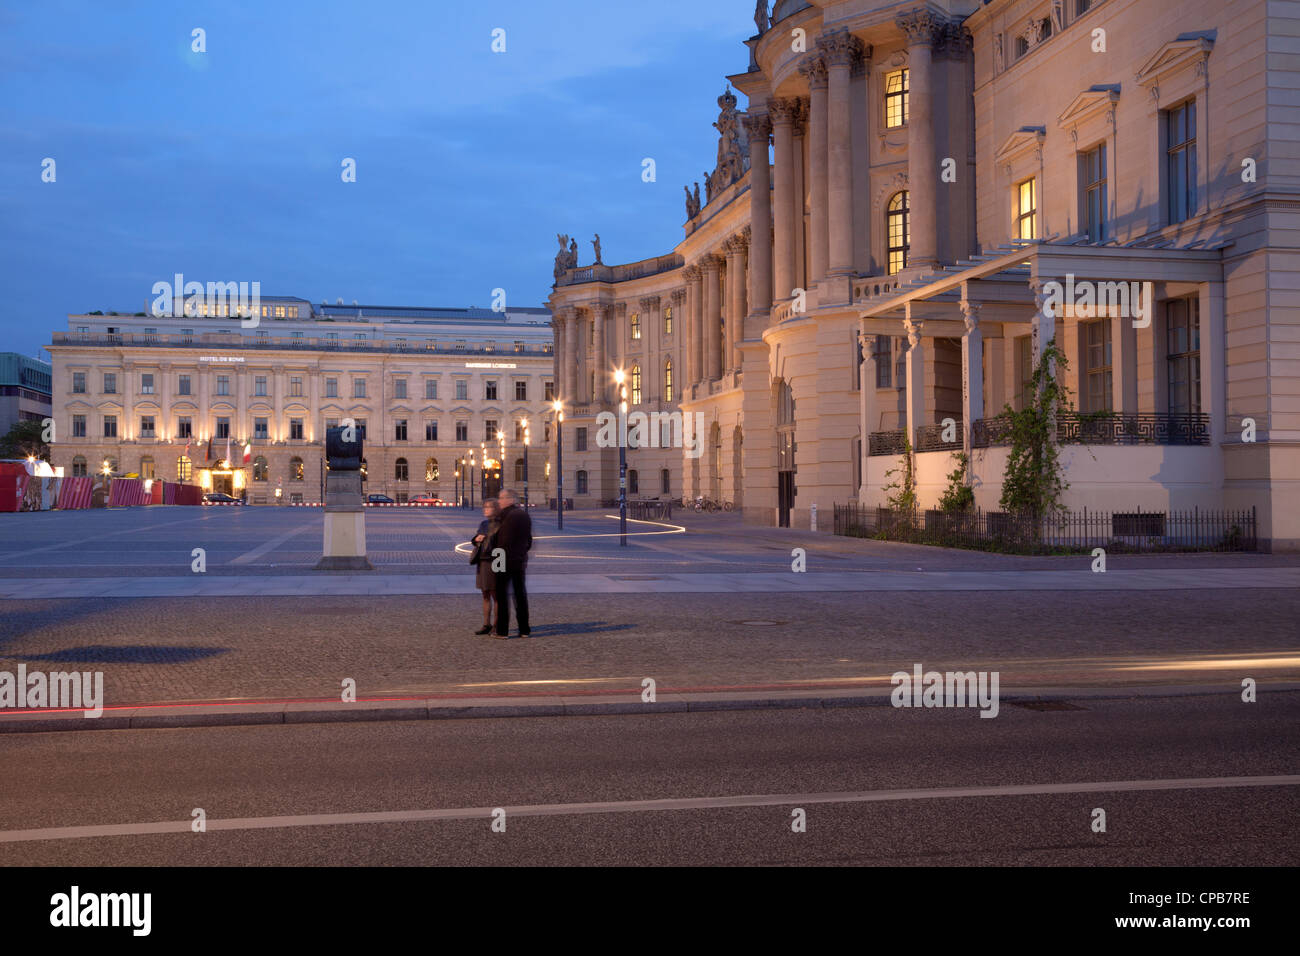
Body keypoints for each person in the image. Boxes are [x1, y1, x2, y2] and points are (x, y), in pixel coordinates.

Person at [492, 489, 533, 638]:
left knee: (502, 595)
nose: (499, 501)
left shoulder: (504, 515)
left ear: (510, 499)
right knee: (520, 594)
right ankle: (524, 629)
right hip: (519, 559)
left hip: (502, 557)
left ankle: (502, 631)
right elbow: (529, 540)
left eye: (501, 498)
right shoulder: (524, 515)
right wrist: (522, 553)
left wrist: (496, 559)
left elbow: (501, 540)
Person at [469, 499, 501, 635]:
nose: (485, 509)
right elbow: (476, 540)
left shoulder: (501, 524)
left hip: (494, 561)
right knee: (485, 595)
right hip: (482, 562)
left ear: (496, 509)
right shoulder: (483, 523)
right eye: (484, 507)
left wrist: (486, 538)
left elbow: (501, 545)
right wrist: (476, 540)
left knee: (496, 595)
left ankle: (497, 625)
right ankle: (486, 624)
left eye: (489, 507)